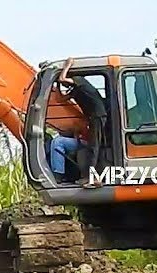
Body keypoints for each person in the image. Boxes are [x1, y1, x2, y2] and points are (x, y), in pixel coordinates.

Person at [57, 58, 109, 187]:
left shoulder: (80, 81)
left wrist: (67, 66)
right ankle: (92, 176)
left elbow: (63, 79)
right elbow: (61, 99)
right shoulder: (76, 89)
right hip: (94, 117)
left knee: (94, 146)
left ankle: (90, 178)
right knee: (95, 146)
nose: (65, 85)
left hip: (98, 115)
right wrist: (58, 86)